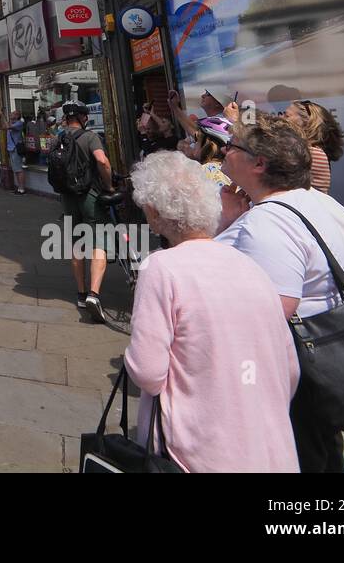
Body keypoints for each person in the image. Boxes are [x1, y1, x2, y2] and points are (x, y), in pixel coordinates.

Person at [216, 113, 344, 472]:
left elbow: (271, 314)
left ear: (258, 164)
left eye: (232, 147)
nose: (224, 151)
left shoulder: (268, 221)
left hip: (305, 376)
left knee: (309, 458)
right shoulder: (319, 203)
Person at [124, 151, 300, 472]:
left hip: (199, 451)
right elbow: (289, 370)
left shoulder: (162, 268)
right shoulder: (251, 266)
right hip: (272, 450)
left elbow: (147, 373)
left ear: (153, 213)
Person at [56, 102, 114, 322]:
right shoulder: (89, 137)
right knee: (100, 240)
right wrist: (108, 185)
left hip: (67, 197)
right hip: (89, 195)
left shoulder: (57, 138)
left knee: (77, 243)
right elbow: (102, 160)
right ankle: (94, 294)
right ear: (82, 117)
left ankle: (80, 293)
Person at [285, 99, 344, 194]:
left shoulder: (313, 154)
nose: (281, 119)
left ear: (307, 122)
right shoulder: (305, 151)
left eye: (287, 116)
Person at [6, 113, 27, 194]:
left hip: (15, 149)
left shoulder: (19, 123)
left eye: (14, 113)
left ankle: (22, 189)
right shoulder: (12, 123)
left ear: (17, 116)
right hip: (11, 148)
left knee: (19, 169)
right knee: (16, 169)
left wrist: (3, 116)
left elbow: (8, 127)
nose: (11, 114)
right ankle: (19, 187)